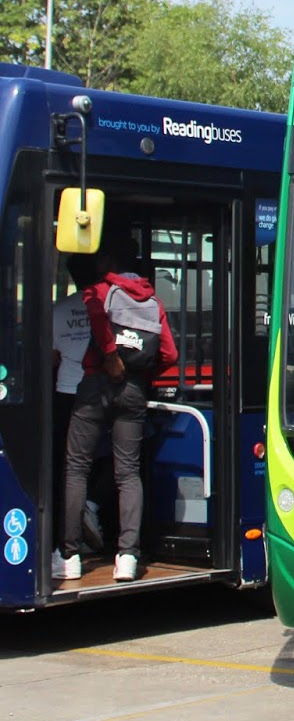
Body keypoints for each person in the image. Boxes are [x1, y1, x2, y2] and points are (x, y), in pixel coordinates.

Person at [52, 237, 176, 583]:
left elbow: (94, 313)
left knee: (76, 466)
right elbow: (170, 354)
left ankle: (70, 555)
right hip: (134, 390)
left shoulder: (99, 291)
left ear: (107, 263)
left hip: (95, 385)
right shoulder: (152, 300)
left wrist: (109, 354)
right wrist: (141, 371)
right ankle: (127, 557)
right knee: (128, 473)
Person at [50, 254, 100, 552]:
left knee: (69, 464)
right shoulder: (103, 305)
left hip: (65, 392)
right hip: (97, 391)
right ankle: (90, 506)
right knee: (102, 459)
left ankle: (67, 538)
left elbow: (53, 357)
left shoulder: (58, 310)